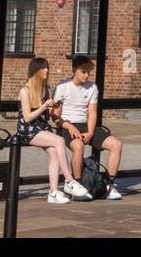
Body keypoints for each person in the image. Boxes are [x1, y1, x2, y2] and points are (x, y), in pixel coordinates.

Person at [16, 58, 90, 204]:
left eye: (47, 68)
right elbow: (27, 117)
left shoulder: (46, 89)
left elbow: (47, 116)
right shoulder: (25, 91)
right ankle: (69, 181)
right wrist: (44, 106)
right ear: (35, 71)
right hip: (27, 130)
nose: (47, 70)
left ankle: (53, 192)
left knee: (55, 152)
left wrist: (52, 107)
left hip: (42, 128)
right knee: (60, 140)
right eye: (43, 68)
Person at [54, 55, 124, 200]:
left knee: (116, 144)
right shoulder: (62, 87)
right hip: (67, 126)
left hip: (86, 126)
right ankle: (79, 187)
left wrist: (91, 132)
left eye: (88, 72)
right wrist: (70, 127)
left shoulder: (92, 88)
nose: (87, 75)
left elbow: (92, 113)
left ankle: (109, 186)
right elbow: (55, 117)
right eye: (83, 72)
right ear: (74, 70)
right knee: (79, 147)